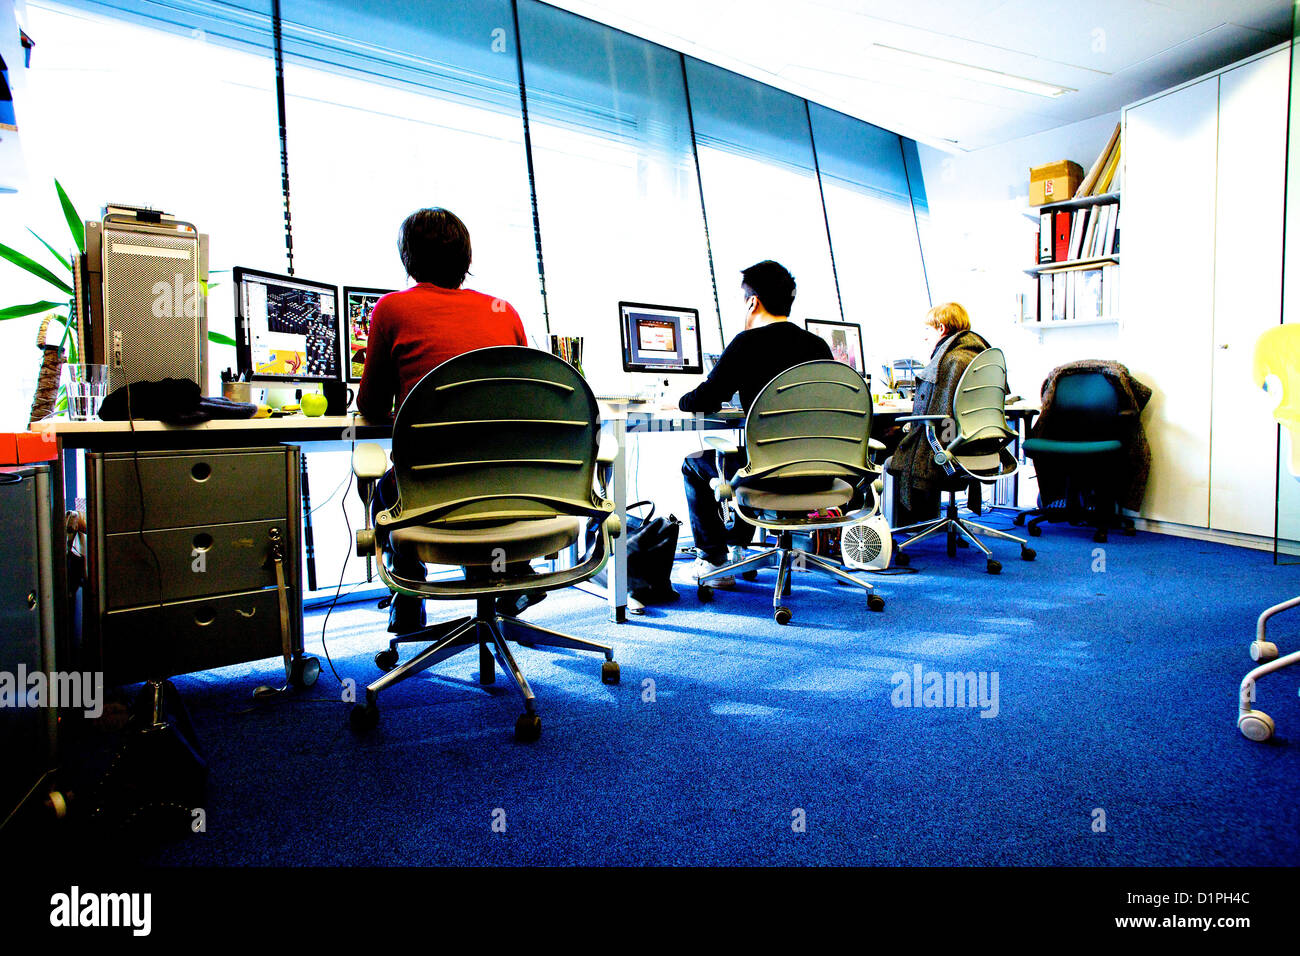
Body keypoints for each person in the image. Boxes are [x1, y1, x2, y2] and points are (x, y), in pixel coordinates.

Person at [357, 207, 530, 632]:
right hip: (511, 491)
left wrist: (413, 409)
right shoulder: (502, 311)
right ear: (466, 260)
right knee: (468, 480)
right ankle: (501, 580)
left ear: (408, 260)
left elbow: (371, 406)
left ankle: (408, 592)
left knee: (386, 488)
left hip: (430, 495)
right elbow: (525, 399)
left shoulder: (392, 309)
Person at [678, 260, 833, 586]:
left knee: (694, 463)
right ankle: (737, 548)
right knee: (743, 457)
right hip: (819, 473)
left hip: (767, 475)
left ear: (753, 301)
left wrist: (678, 401)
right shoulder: (818, 346)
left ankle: (714, 559)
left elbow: (703, 400)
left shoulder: (746, 343)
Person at [884, 302, 994, 527]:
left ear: (941, 328)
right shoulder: (980, 357)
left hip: (947, 454)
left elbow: (938, 421)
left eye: (928, 330)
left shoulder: (948, 361)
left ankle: (896, 526)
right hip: (980, 448)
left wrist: (904, 428)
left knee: (887, 441)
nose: (925, 337)